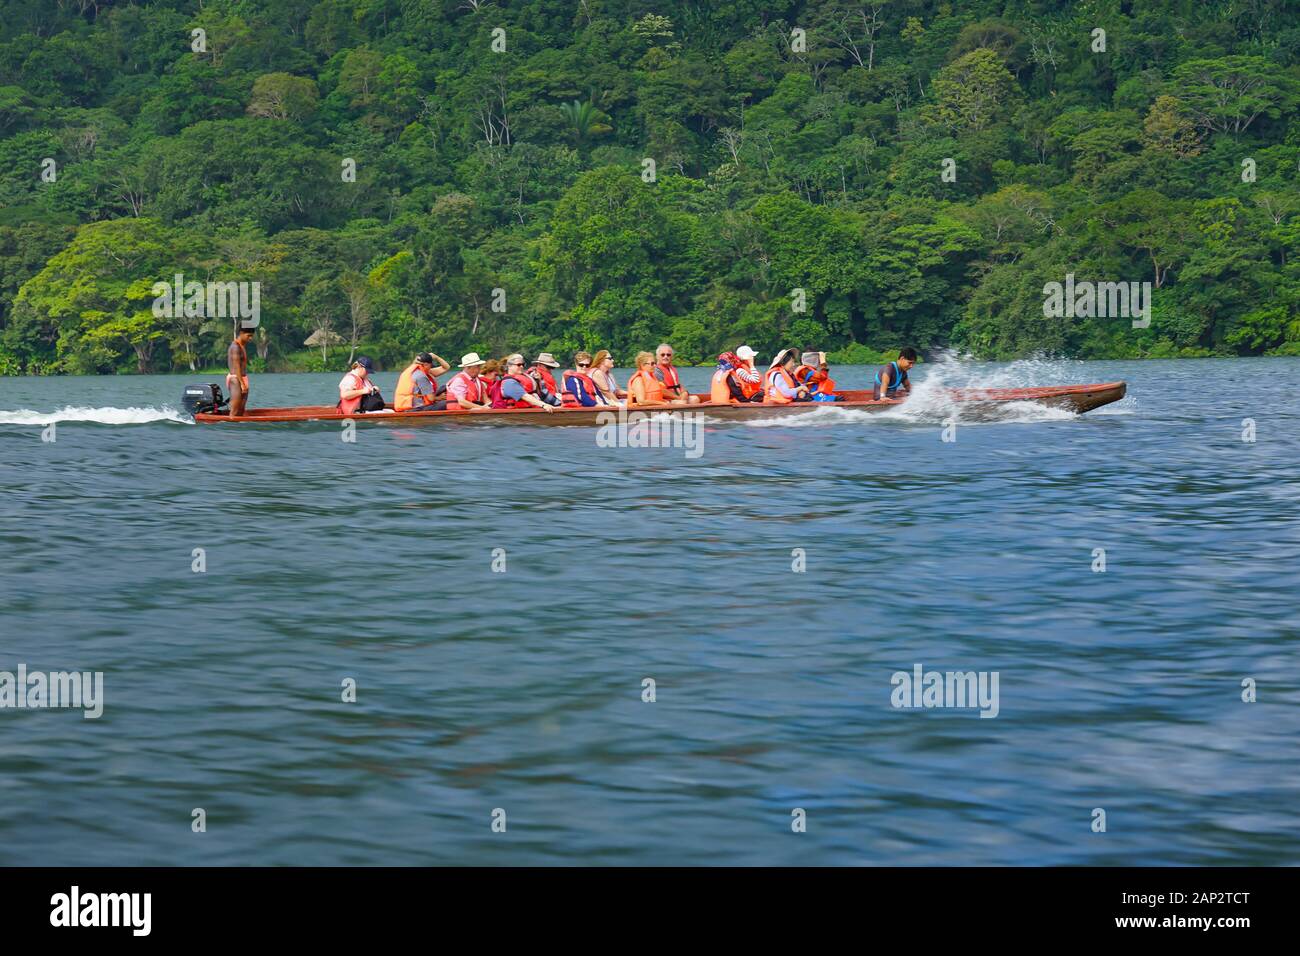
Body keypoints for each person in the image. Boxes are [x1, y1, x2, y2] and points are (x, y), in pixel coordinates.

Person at [226, 323, 255, 416]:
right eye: (249, 336)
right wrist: (242, 384)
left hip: (243, 378)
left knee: (241, 410)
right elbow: (236, 366)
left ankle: (238, 430)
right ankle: (229, 429)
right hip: (236, 379)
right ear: (241, 333)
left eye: (252, 336)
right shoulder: (235, 347)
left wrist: (244, 382)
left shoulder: (242, 345)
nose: (250, 338)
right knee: (234, 410)